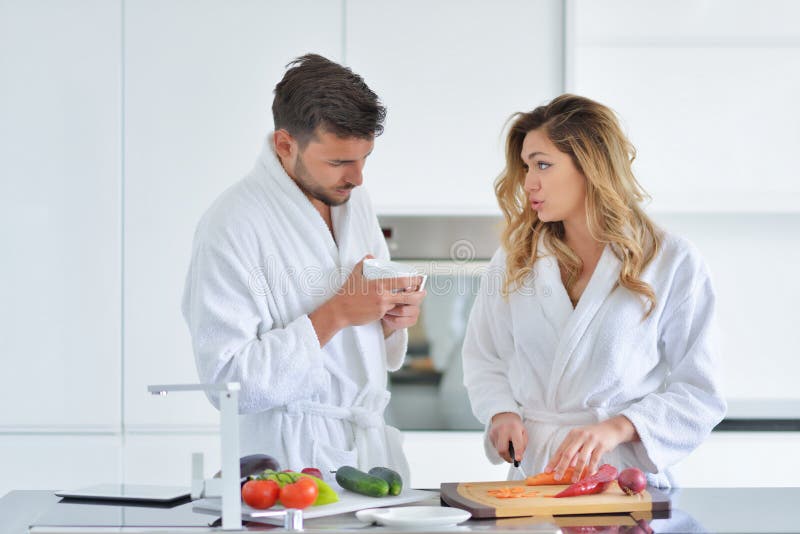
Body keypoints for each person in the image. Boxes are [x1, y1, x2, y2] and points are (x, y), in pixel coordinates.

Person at [182, 54, 425, 482]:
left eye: (364, 157)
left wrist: (387, 320)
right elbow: (227, 383)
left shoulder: (352, 202)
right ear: (284, 144)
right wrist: (338, 313)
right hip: (285, 466)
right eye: (338, 162)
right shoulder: (231, 225)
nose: (358, 178)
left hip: (369, 459)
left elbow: (357, 334)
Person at [462, 94, 726, 488]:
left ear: (591, 165)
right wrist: (501, 413)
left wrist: (618, 428)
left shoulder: (670, 261)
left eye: (543, 164)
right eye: (526, 166)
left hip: (622, 482)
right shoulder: (516, 259)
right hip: (535, 480)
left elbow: (700, 391)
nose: (529, 181)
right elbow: (484, 357)